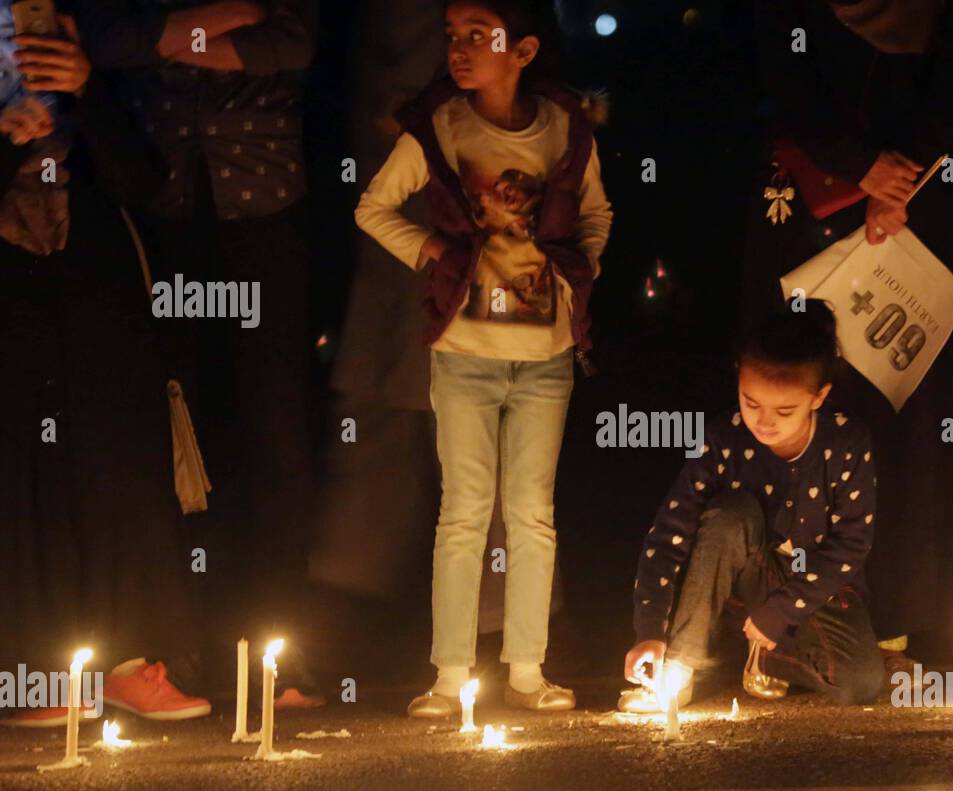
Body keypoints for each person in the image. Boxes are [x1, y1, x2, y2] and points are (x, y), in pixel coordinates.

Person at [354, 0, 612, 715]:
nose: (461, 50)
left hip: (545, 354)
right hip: (465, 350)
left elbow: (596, 211)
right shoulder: (440, 128)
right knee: (465, 512)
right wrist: (433, 251)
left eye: (479, 37)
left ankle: (527, 669)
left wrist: (576, 270)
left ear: (523, 49)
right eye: (452, 38)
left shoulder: (563, 128)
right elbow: (373, 208)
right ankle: (449, 675)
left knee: (531, 512)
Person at [77, 0, 323, 707]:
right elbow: (109, 37)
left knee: (274, 437)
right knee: (174, 435)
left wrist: (170, 39)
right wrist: (221, 21)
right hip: (160, 204)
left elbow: (291, 41)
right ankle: (178, 650)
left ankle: (278, 657)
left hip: (266, 203)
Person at [745, 0, 953, 674]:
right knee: (810, 407)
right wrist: (862, 168)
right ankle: (795, 626)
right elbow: (785, 79)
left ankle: (895, 625)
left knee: (906, 416)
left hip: (920, 208)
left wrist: (899, 176)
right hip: (812, 205)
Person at [0, 6, 209, 725]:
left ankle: (126, 663)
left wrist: (88, 93)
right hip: (13, 295)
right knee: (25, 475)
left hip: (98, 288)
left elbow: (142, 183)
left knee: (119, 467)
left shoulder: (98, 71)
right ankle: (32, 672)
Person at [622, 302, 886, 712]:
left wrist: (783, 609)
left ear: (819, 397)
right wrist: (650, 630)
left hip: (812, 580)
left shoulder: (846, 442)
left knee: (859, 682)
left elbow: (852, 543)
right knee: (730, 515)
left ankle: (766, 653)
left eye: (784, 411)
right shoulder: (721, 438)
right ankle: (681, 666)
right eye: (750, 403)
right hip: (743, 575)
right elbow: (669, 533)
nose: (764, 422)